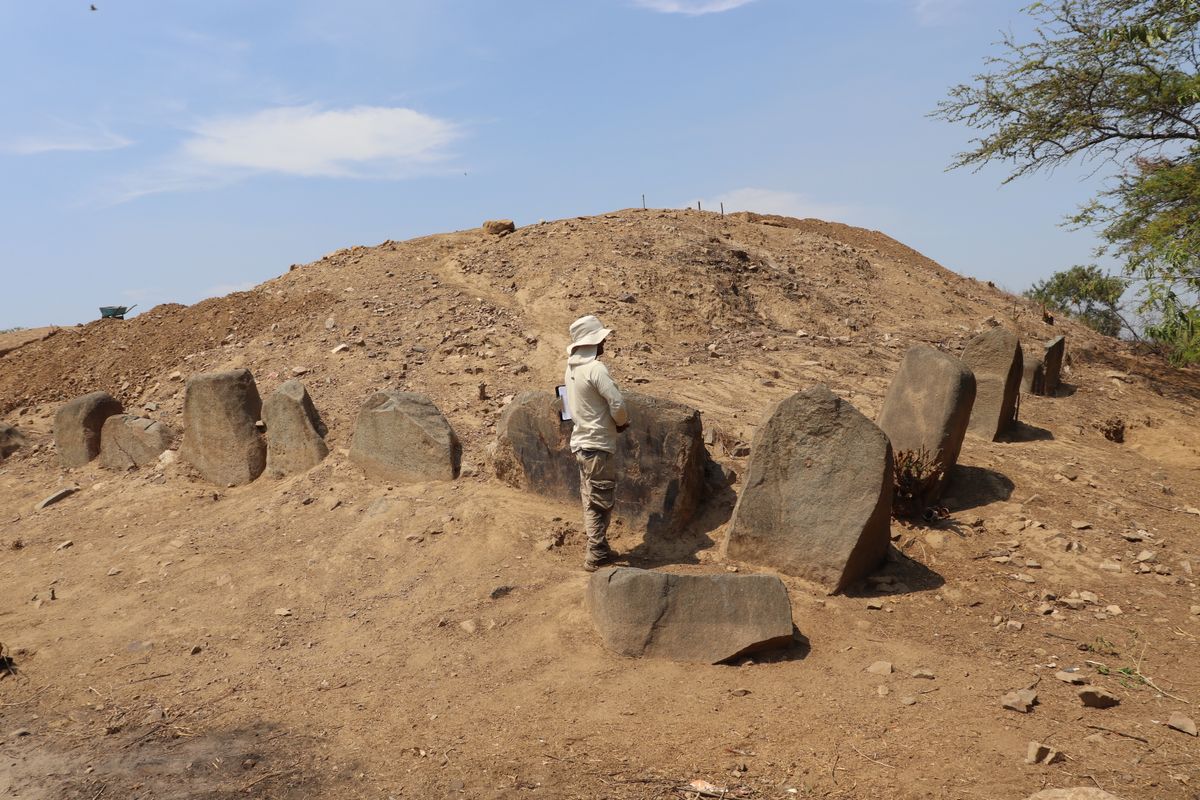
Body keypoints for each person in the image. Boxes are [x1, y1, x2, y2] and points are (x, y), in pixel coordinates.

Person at [564, 314, 629, 571]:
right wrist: (621, 422)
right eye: (601, 340)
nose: (605, 344)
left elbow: (568, 407)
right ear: (593, 343)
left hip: (581, 442)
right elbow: (617, 403)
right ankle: (596, 553)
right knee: (601, 501)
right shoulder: (596, 369)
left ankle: (598, 547)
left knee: (590, 498)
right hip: (598, 445)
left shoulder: (571, 369)